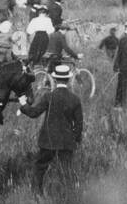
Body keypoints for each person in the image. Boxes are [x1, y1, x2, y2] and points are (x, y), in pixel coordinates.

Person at [20, 60, 84, 195]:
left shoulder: (48, 96)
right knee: (66, 170)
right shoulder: (75, 99)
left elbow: (33, 113)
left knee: (39, 167)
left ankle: (37, 195)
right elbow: (79, 125)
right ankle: (68, 197)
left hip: (48, 140)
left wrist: (23, 105)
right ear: (68, 79)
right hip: (67, 142)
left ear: (54, 79)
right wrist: (75, 140)